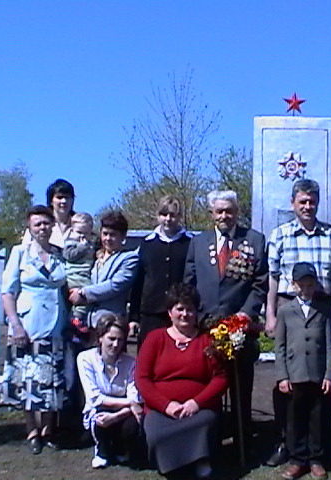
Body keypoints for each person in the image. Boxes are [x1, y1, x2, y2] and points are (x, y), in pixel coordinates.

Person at [265, 178, 331, 467]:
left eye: (311, 201)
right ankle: (288, 445)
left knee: (322, 385)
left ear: (317, 203)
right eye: (302, 201)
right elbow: (273, 278)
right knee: (287, 382)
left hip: (324, 307)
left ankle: (320, 449)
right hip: (289, 308)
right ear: (293, 204)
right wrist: (271, 313)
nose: (307, 206)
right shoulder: (280, 235)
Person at [183, 189, 268, 462]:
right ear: (211, 214)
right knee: (208, 389)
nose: (224, 216)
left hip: (239, 327)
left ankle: (244, 444)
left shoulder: (254, 240)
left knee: (241, 387)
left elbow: (260, 283)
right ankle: (211, 444)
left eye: (229, 211)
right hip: (206, 327)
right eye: (219, 211)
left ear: (237, 212)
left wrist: (244, 315)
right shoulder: (198, 242)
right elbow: (190, 282)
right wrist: (196, 317)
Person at [135, 284, 228, 478]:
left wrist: (196, 403)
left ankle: (200, 459)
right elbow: (142, 379)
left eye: (190, 309)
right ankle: (175, 464)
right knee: (157, 433)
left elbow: (220, 378)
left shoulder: (207, 340)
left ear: (196, 312)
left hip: (199, 409)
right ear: (170, 312)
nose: (185, 314)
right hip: (162, 410)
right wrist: (166, 405)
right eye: (180, 309)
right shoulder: (155, 338)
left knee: (205, 422)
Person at [1, 205, 68, 454]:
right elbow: (8, 292)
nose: (42, 228)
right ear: (29, 227)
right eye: (37, 224)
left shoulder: (60, 255)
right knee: (27, 380)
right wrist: (15, 324)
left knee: (51, 379)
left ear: (53, 226)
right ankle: (31, 431)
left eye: (46, 223)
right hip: (27, 326)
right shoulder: (19, 253)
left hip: (56, 326)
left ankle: (49, 430)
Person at [275, 262, 331, 480]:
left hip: (318, 375)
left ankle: (316, 459)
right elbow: (279, 346)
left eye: (310, 285)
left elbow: (330, 345)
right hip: (294, 373)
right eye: (301, 285)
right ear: (293, 285)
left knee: (317, 418)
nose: (306, 289)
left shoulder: (324, 310)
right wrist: (282, 376)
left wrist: (329, 375)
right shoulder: (285, 311)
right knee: (295, 418)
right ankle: (297, 460)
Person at [77, 314, 144, 469]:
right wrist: (131, 403)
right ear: (100, 337)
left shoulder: (131, 363)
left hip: (123, 411)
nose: (116, 344)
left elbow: (134, 394)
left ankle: (121, 448)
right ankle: (101, 451)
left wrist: (115, 416)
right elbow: (94, 397)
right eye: (111, 339)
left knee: (132, 425)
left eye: (120, 340)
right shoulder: (85, 359)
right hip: (100, 407)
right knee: (100, 416)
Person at [130, 195, 192, 347]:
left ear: (179, 217)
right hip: (151, 313)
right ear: (158, 216)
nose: (168, 219)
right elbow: (138, 282)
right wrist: (133, 317)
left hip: (180, 313)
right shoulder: (147, 243)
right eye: (164, 214)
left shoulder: (190, 243)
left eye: (173, 215)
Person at [69, 211, 138, 330]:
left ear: (123, 236)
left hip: (111, 324)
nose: (108, 238)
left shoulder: (129, 258)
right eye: (105, 234)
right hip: (88, 323)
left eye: (113, 235)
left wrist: (83, 293)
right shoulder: (94, 256)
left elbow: (115, 285)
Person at [63, 212, 96, 342]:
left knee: (89, 296)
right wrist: (83, 246)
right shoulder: (70, 243)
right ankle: (76, 318)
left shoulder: (90, 244)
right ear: (72, 231)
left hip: (85, 275)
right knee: (85, 297)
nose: (82, 236)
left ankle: (78, 320)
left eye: (86, 233)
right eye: (79, 232)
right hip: (75, 277)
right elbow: (69, 255)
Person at [22, 179, 76, 248]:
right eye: (59, 197)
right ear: (51, 201)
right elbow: (25, 250)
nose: (64, 201)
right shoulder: (38, 225)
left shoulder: (81, 224)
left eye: (67, 197)